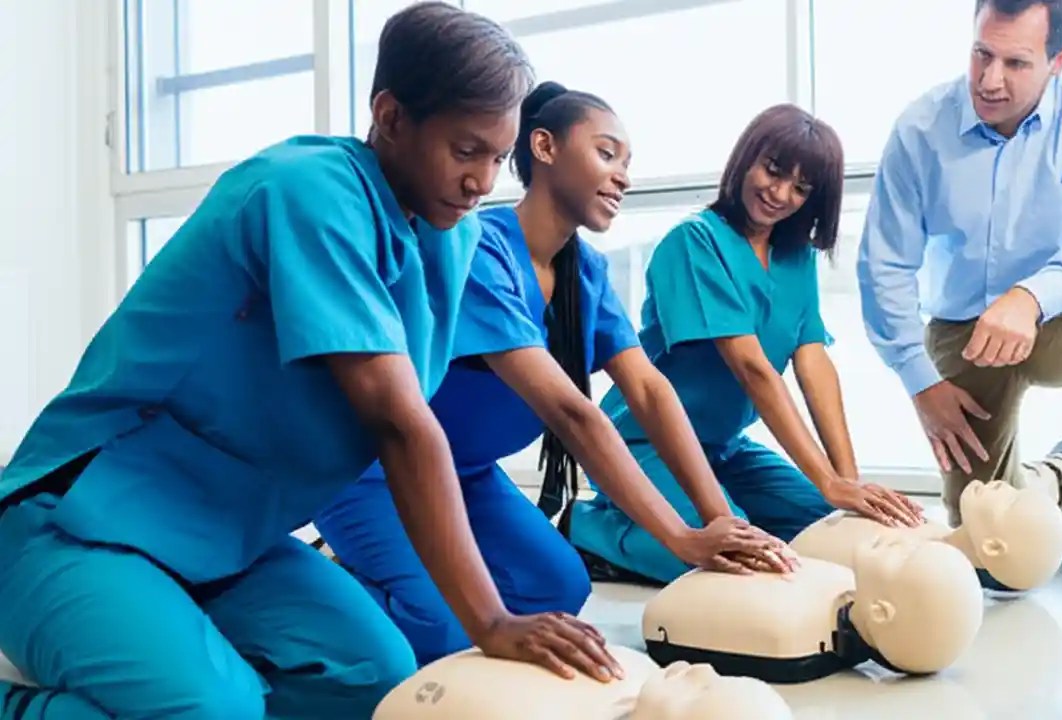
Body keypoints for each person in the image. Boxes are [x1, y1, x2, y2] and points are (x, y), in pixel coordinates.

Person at [0, 5, 624, 718]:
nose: (482, 181)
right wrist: (491, 621)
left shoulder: (449, 240)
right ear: (390, 116)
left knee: (373, 673)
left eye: (494, 157)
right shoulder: (308, 190)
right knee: (215, 711)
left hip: (230, 532)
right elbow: (399, 422)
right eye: (464, 151)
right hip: (81, 514)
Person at [313, 81, 794, 668]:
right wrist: (679, 538)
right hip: (372, 469)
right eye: (606, 153)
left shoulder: (585, 271)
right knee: (440, 626)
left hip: (464, 474)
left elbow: (648, 389)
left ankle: (408, 574)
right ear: (543, 147)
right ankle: (310, 587)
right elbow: (573, 414)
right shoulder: (479, 249)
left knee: (557, 588)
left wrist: (717, 518)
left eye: (627, 163)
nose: (623, 176)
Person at [856, 0, 1062, 587]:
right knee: (989, 550)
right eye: (981, 54)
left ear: (1059, 60)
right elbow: (885, 265)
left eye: (1017, 63)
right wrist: (922, 383)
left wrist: (1032, 295)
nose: (991, 81)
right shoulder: (920, 128)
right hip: (963, 332)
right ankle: (1059, 473)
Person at [568, 104, 924, 586]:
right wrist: (827, 479)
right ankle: (589, 528)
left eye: (801, 188)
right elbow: (753, 370)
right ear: (747, 159)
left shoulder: (796, 258)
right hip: (644, 443)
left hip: (725, 448)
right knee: (726, 558)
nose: (779, 194)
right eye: (773, 171)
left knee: (831, 529)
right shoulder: (694, 242)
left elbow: (813, 362)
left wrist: (846, 480)